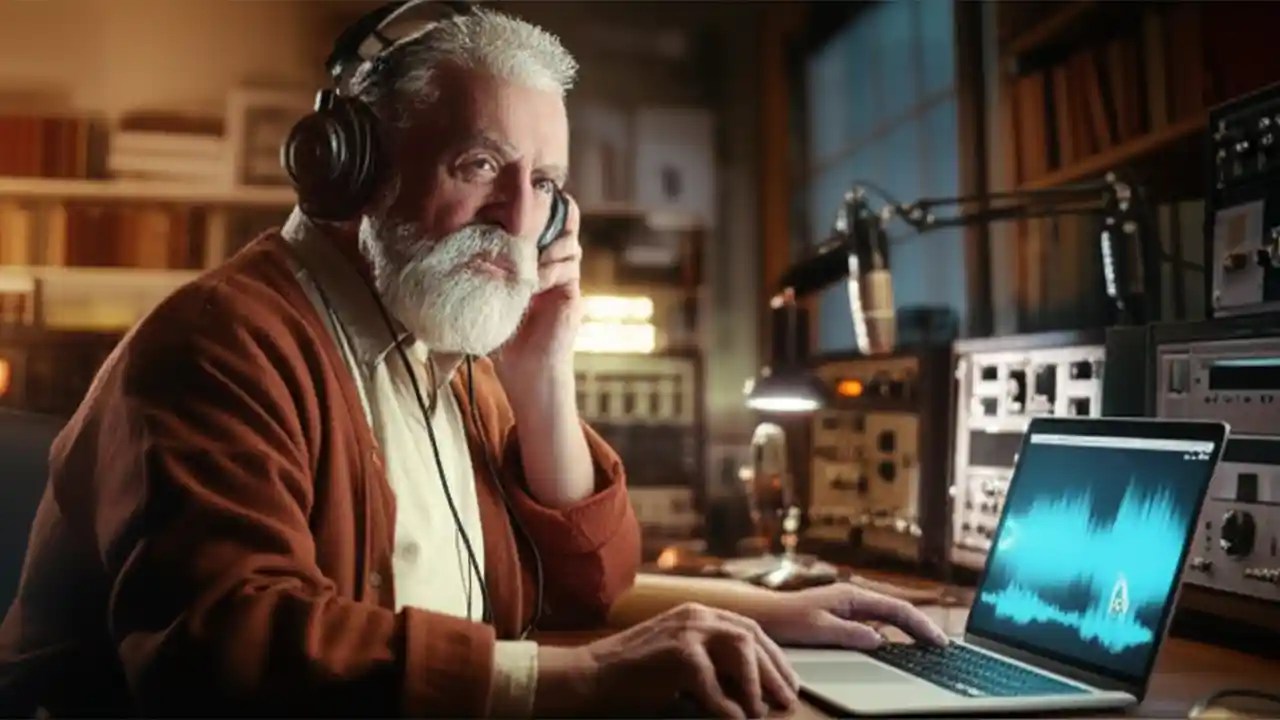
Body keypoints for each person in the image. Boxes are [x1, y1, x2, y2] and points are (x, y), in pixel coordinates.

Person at [0, 5, 946, 718]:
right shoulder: (220, 344)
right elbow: (232, 651)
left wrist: (545, 374)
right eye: (479, 166)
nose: (520, 220)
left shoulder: (441, 343)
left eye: (544, 185)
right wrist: (586, 678)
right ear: (353, 168)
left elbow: (581, 584)